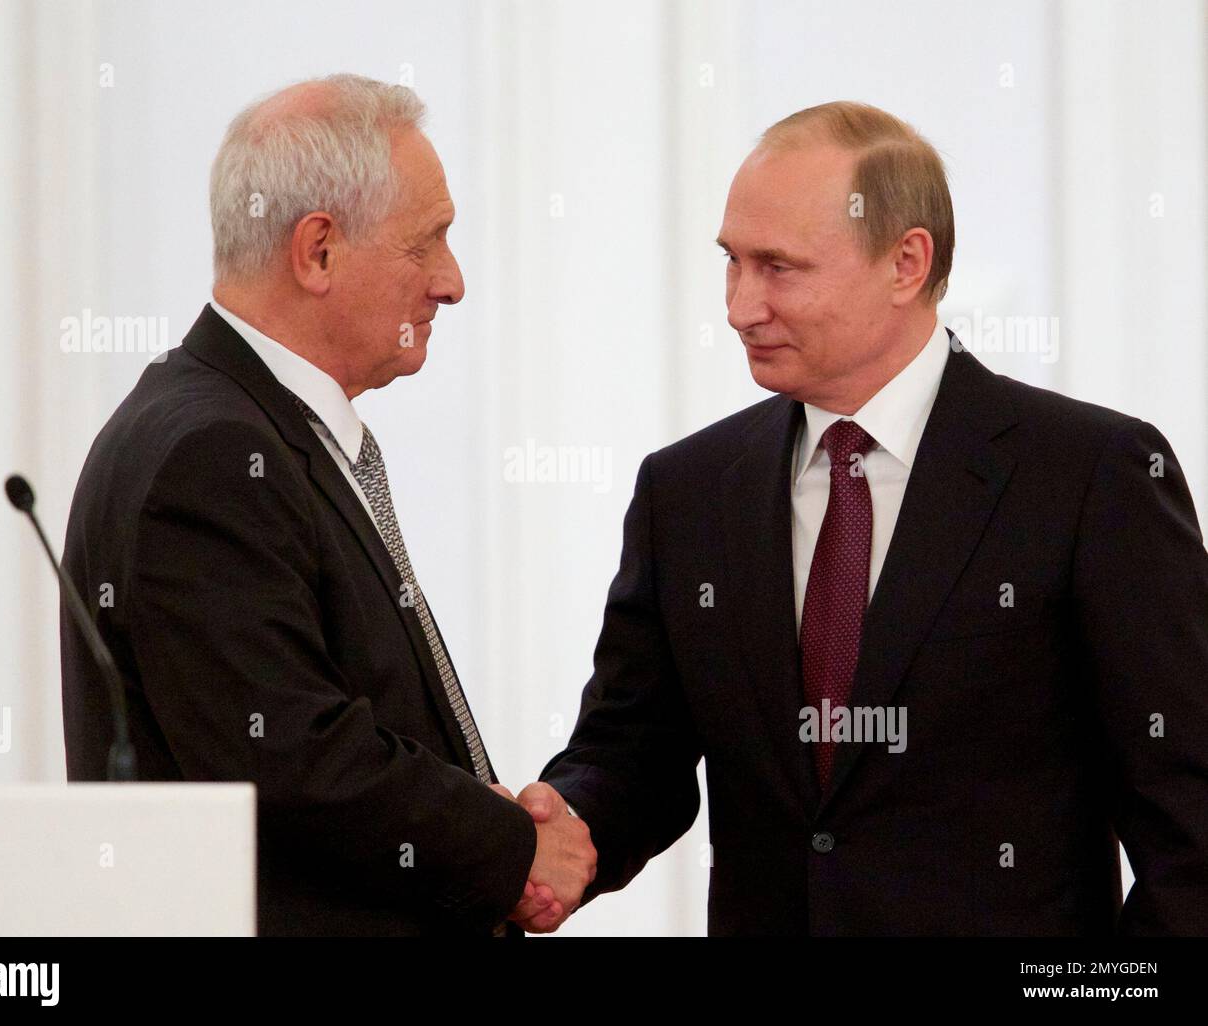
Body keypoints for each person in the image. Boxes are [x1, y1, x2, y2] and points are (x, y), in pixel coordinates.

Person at [516, 101, 1208, 935]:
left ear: (905, 263)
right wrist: (564, 827)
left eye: (779, 267)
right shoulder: (688, 491)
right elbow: (635, 751)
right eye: (731, 263)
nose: (739, 306)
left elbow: (1190, 825)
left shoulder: (1093, 477)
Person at [60, 74, 595, 937]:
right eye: (428, 243)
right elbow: (291, 760)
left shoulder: (246, 426)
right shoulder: (210, 455)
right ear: (317, 252)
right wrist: (508, 847)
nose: (451, 282)